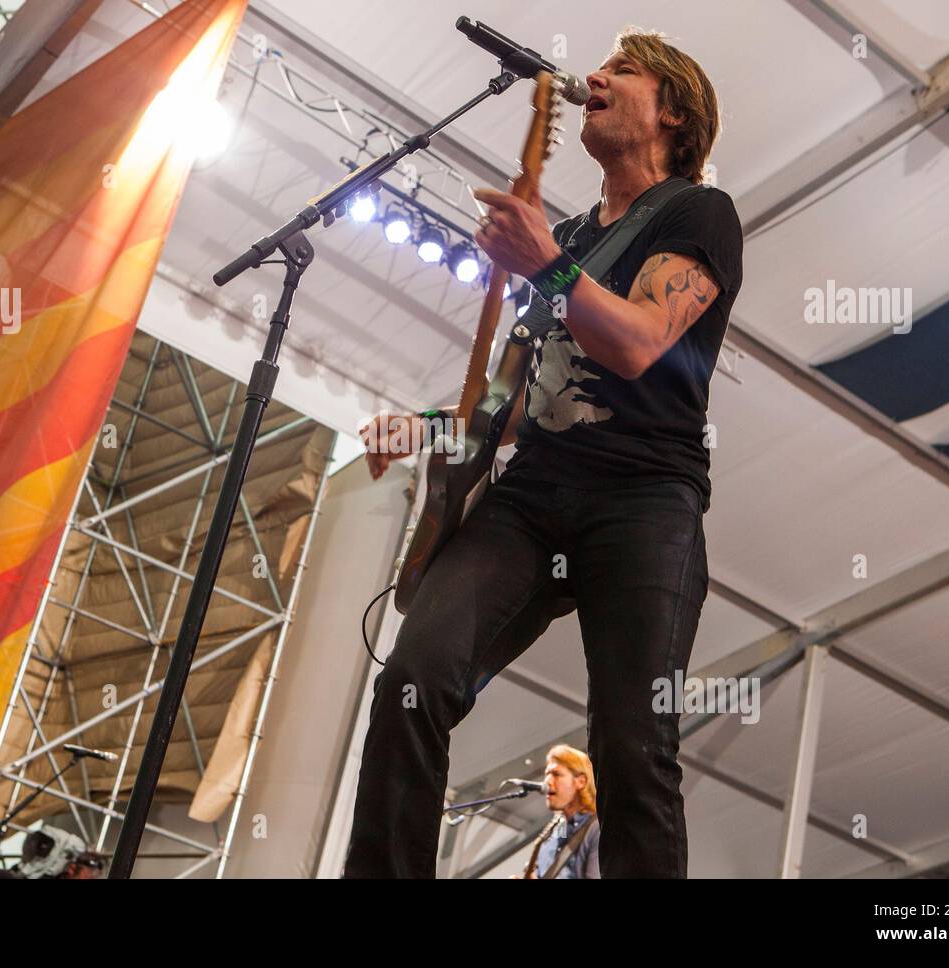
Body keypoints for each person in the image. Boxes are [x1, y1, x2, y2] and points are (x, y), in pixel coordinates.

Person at [346, 25, 742, 878]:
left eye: (624, 71)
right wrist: (426, 424)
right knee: (412, 679)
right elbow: (511, 401)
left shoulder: (696, 212)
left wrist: (549, 265)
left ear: (671, 110)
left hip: (644, 500)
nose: (595, 74)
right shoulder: (569, 230)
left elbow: (637, 344)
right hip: (532, 498)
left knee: (634, 746)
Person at [517, 745, 600, 879]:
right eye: (547, 774)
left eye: (556, 774)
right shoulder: (554, 829)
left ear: (581, 781)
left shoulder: (597, 829)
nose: (547, 781)